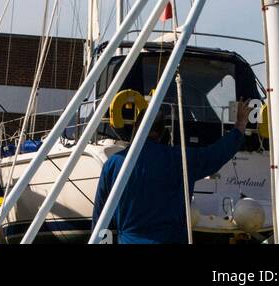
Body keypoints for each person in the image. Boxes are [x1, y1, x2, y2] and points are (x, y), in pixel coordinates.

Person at [92, 98, 250, 244]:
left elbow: (101, 216)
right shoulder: (180, 159)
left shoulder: (113, 164)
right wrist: (240, 125)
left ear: (135, 128)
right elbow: (216, 154)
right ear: (162, 132)